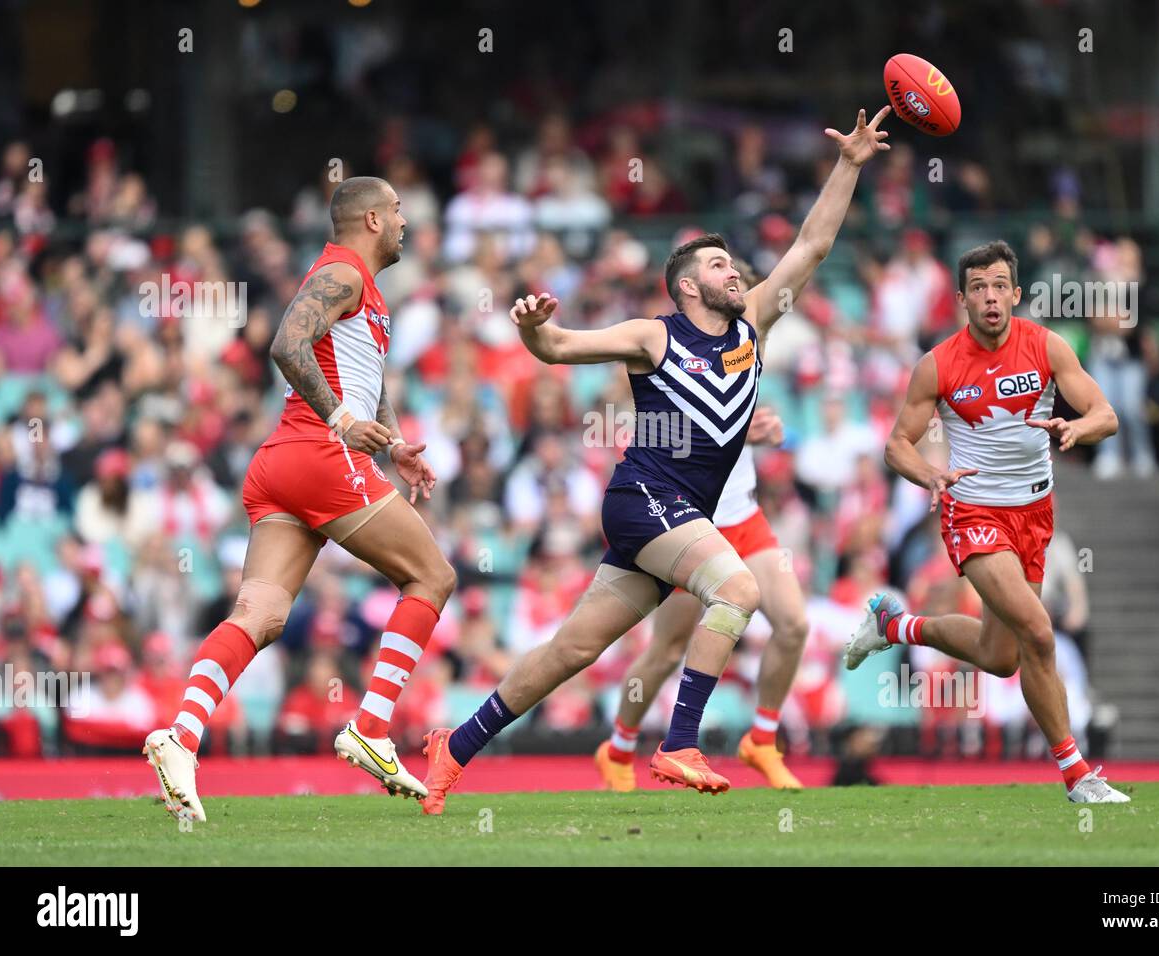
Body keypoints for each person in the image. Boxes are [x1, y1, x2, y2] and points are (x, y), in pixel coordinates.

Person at [417, 108, 893, 814]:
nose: (734, 271)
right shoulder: (654, 336)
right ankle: (678, 742)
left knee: (571, 652)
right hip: (643, 498)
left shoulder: (753, 322)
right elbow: (559, 351)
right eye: (717, 265)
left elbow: (813, 244)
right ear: (687, 288)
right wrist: (533, 330)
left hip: (673, 514)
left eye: (731, 262)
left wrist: (849, 165)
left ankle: (452, 748)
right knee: (738, 590)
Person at [143, 176, 456, 824]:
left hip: (283, 463)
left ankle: (180, 738)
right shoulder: (341, 272)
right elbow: (286, 343)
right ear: (369, 220)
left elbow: (367, 380)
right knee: (433, 575)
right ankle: (371, 727)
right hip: (318, 454)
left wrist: (391, 443)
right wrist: (343, 422)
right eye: (397, 211)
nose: (405, 222)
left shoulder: (364, 291)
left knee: (261, 614)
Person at [845, 239, 1131, 803]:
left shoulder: (1046, 347)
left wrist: (1077, 430)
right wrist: (928, 474)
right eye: (978, 288)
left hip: (1035, 512)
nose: (991, 297)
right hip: (974, 511)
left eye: (1000, 285)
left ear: (1016, 293)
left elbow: (1108, 414)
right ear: (962, 299)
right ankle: (1078, 777)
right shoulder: (938, 364)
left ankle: (894, 627)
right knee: (1039, 632)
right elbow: (895, 445)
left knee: (1000, 658)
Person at [595, 404, 811, 790]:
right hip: (689, 523)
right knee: (666, 651)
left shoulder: (739, 350)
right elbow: (673, 437)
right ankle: (618, 749)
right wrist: (745, 433)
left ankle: (762, 740)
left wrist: (771, 426)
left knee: (793, 624)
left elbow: (752, 401)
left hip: (743, 517)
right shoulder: (670, 361)